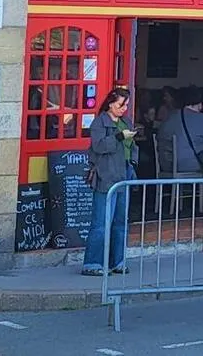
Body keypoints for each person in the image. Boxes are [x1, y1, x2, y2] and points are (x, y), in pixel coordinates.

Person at [82, 87, 136, 276]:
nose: (124, 108)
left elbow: (132, 146)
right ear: (110, 103)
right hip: (106, 176)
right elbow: (98, 146)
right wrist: (119, 136)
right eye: (121, 104)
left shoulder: (126, 121)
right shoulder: (99, 123)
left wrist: (133, 161)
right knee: (101, 222)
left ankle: (117, 262)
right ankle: (92, 263)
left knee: (121, 222)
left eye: (126, 105)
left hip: (124, 174)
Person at [157, 85, 203, 178]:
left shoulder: (168, 117)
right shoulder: (202, 118)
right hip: (190, 165)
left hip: (166, 165)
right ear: (199, 103)